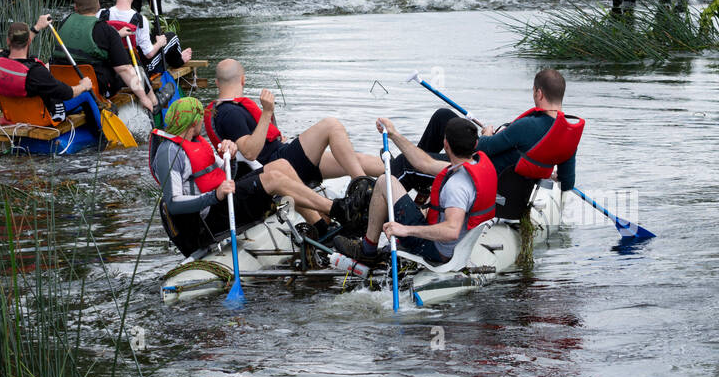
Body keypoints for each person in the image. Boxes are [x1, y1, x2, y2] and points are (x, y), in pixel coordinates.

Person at [150, 96, 353, 258]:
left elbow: (227, 172)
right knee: (272, 179)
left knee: (280, 165)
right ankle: (336, 208)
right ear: (192, 120)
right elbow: (174, 202)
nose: (201, 122)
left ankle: (321, 227)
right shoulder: (169, 152)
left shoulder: (196, 142)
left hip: (222, 201)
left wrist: (230, 156)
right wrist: (215, 196)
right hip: (208, 220)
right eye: (199, 118)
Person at [385, 68, 580, 224]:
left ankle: (374, 205)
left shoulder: (528, 125)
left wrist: (487, 134)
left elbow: (482, 148)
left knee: (404, 164)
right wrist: (549, 173)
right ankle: (424, 186)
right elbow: (567, 182)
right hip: (504, 179)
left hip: (481, 174)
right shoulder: (568, 136)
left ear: (539, 93)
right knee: (443, 117)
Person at [333, 116, 497, 266]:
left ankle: (367, 250)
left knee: (385, 181)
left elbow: (451, 231)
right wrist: (393, 134)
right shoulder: (476, 166)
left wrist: (405, 230)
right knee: (425, 197)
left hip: (439, 251)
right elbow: (423, 163)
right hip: (462, 244)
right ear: (475, 144)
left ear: (445, 145)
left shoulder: (457, 186)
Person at [203, 59, 384, 193]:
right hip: (279, 164)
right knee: (331, 125)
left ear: (217, 82)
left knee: (353, 159)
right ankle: (364, 191)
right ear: (243, 80)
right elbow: (250, 152)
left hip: (284, 155)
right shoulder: (229, 112)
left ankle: (401, 171)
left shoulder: (229, 109)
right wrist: (266, 112)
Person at [57, 0, 157, 111]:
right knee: (130, 62)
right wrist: (143, 98)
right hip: (95, 87)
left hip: (63, 83)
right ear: (98, 6)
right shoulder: (106, 30)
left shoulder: (63, 23)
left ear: (76, 7)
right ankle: (152, 100)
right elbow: (124, 69)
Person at [0, 18, 97, 124]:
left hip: (14, 115)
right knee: (86, 94)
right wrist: (84, 86)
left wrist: (37, 28)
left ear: (8, 40)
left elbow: (15, 56)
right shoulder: (36, 72)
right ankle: (101, 134)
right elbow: (67, 93)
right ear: (29, 41)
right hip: (42, 118)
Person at [99, 0, 192, 76]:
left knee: (152, 36)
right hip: (138, 68)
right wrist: (160, 43)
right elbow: (149, 54)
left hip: (110, 64)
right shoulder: (140, 20)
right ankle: (179, 60)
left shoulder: (101, 14)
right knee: (171, 37)